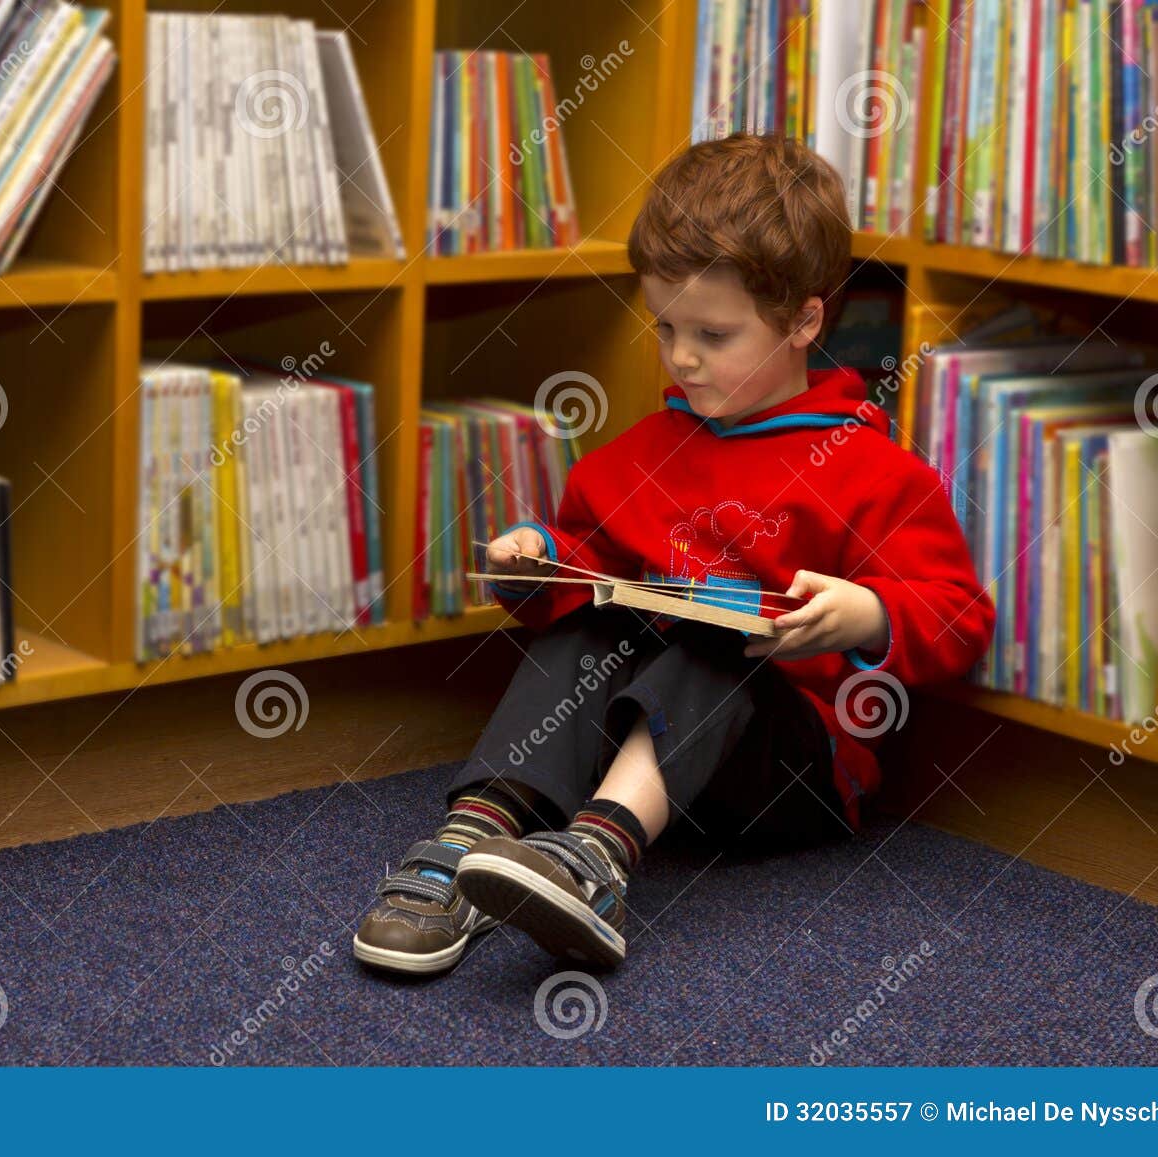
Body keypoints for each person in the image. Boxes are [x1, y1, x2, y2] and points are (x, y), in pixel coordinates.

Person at [352, 132, 995, 975]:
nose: (682, 355)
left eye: (714, 334)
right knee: (590, 627)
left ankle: (597, 860)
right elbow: (587, 558)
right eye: (665, 326)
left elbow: (959, 613)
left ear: (806, 319)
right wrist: (538, 557)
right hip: (641, 757)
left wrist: (865, 611)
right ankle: (471, 840)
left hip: (787, 776)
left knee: (719, 626)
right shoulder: (646, 450)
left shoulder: (872, 469)